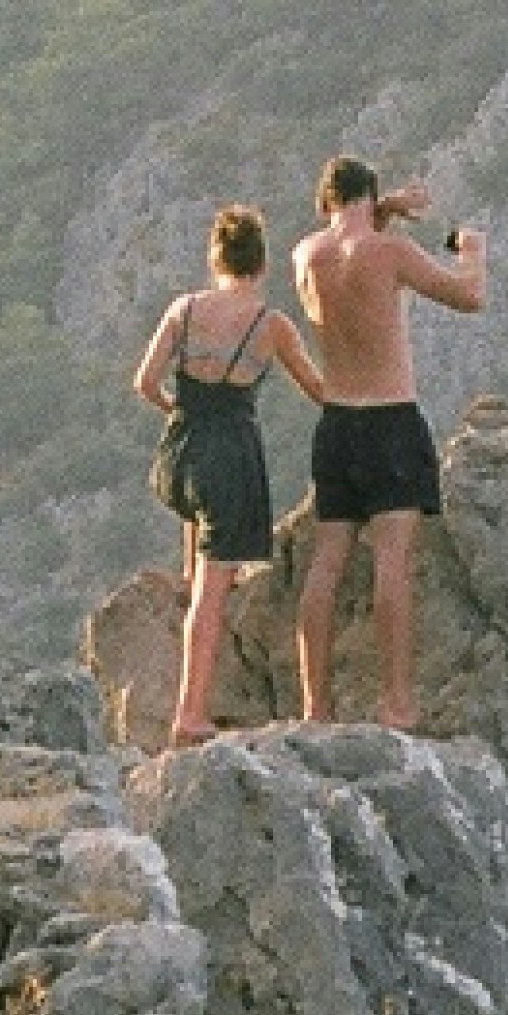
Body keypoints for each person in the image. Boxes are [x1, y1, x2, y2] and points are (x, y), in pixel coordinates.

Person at [291, 154, 488, 735]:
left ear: (325, 200)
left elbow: (346, 230)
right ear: (369, 196)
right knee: (392, 562)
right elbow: (469, 297)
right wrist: (473, 251)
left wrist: (386, 207)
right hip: (389, 420)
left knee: (326, 564)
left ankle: (315, 707)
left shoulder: (306, 256)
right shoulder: (389, 252)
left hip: (336, 423)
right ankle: (397, 705)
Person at [132, 206, 330, 747]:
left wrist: (178, 408)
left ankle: (188, 577)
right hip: (230, 458)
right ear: (261, 262)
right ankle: (190, 713)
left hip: (181, 452)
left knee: (196, 540)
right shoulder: (270, 325)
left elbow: (145, 383)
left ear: (214, 257)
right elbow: (318, 391)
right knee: (212, 596)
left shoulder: (185, 310)